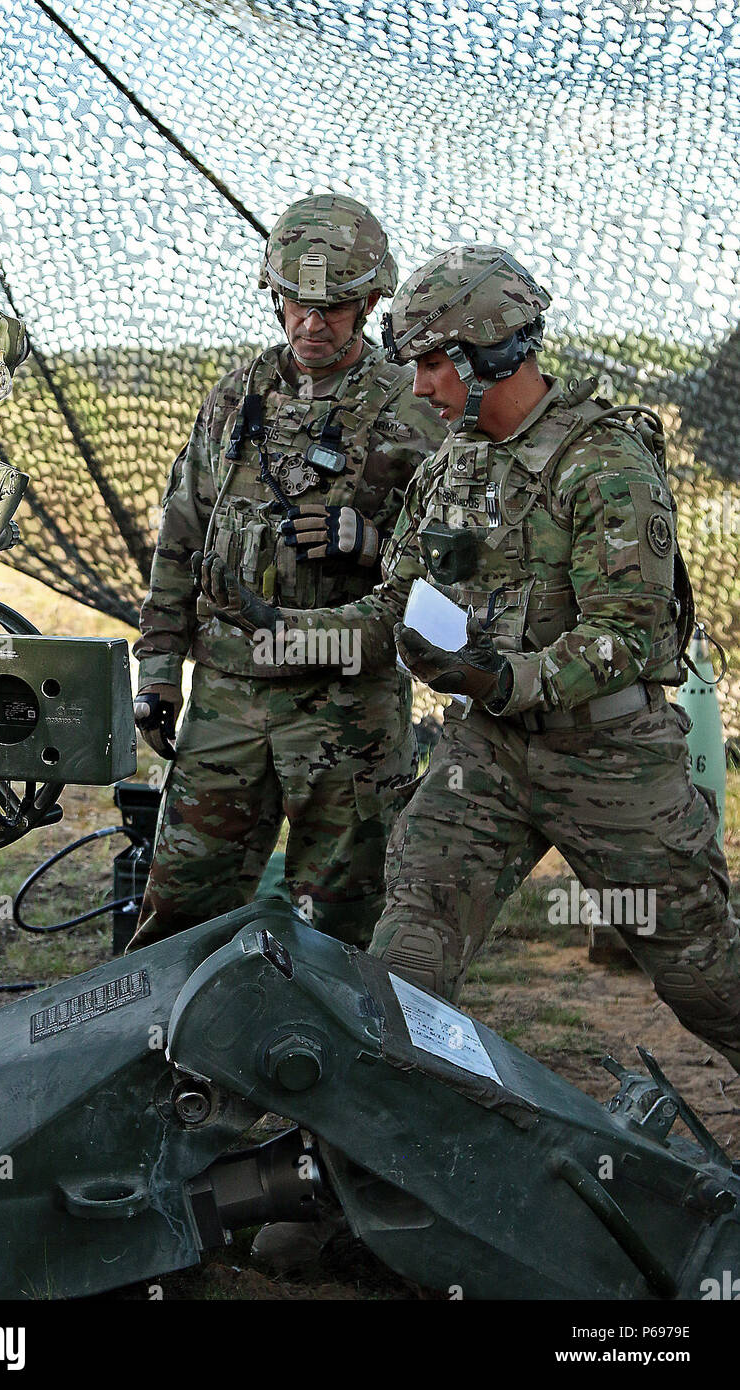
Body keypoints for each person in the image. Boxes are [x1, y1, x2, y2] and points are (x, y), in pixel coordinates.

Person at [199, 242, 740, 1074]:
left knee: (703, 976)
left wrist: (509, 678)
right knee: (406, 957)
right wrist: (287, 630)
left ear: (489, 353)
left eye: (431, 366)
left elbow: (628, 634)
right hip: (484, 756)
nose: (418, 387)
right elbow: (399, 608)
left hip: (611, 762)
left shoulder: (602, 465)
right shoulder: (453, 466)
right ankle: (385, 1159)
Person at [128, 194, 446, 952]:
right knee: (182, 913)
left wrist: (368, 543)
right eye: (297, 303)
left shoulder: (415, 407)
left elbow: (458, 575)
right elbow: (181, 534)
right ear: (273, 295)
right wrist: (160, 668)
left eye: (334, 307)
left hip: (349, 709)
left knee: (342, 927)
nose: (312, 323)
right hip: (230, 699)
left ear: (371, 301)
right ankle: (175, 1062)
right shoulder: (237, 397)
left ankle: (336, 1065)